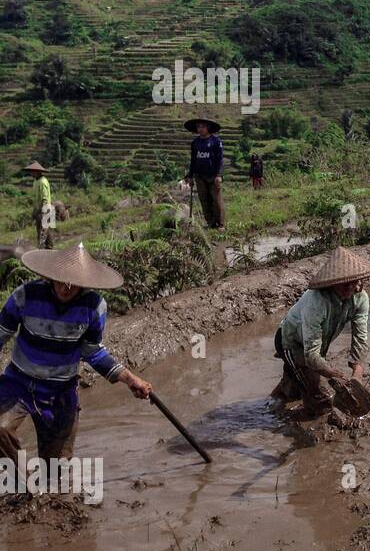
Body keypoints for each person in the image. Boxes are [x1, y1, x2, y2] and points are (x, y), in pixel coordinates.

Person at [0, 243, 153, 471]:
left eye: (74, 284)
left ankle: (48, 490)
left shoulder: (94, 306)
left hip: (60, 390)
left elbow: (93, 351)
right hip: (19, 382)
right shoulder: (26, 296)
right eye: (62, 281)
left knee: (57, 466)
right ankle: (24, 481)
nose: (66, 289)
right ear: (51, 276)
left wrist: (130, 379)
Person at [271, 247, 370, 417]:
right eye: (345, 282)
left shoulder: (360, 299)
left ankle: (274, 403)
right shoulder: (317, 301)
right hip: (292, 342)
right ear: (332, 282)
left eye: (356, 281)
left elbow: (360, 338)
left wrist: (357, 377)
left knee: (295, 384)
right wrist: (337, 377)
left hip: (316, 343)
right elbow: (311, 356)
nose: (352, 287)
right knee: (319, 398)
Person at [185, 117, 225, 230]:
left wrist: (218, 175)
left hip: (213, 175)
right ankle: (210, 222)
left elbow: (220, 160)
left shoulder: (216, 142)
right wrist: (190, 176)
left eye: (202, 126)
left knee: (216, 199)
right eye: (198, 126)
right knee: (204, 200)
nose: (200, 129)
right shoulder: (195, 143)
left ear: (208, 127)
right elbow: (193, 160)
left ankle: (220, 224)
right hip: (199, 175)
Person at [25, 161, 54, 249]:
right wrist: (35, 211)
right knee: (40, 229)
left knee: (43, 230)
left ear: (37, 171)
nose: (31, 173)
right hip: (39, 209)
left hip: (45, 209)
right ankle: (47, 247)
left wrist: (40, 211)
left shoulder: (43, 181)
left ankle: (46, 247)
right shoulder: (35, 181)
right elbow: (36, 199)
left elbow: (44, 198)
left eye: (32, 171)